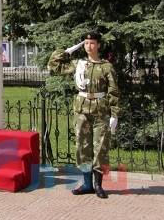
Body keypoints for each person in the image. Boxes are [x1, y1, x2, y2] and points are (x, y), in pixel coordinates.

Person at [48, 31, 120, 199]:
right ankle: (87, 184)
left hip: (101, 111)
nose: (89, 46)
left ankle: (98, 185)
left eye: (92, 43)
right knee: (82, 147)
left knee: (100, 148)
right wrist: (68, 51)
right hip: (81, 111)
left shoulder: (106, 67)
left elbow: (114, 92)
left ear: (99, 45)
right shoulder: (78, 64)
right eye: (86, 43)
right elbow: (53, 65)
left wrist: (114, 115)